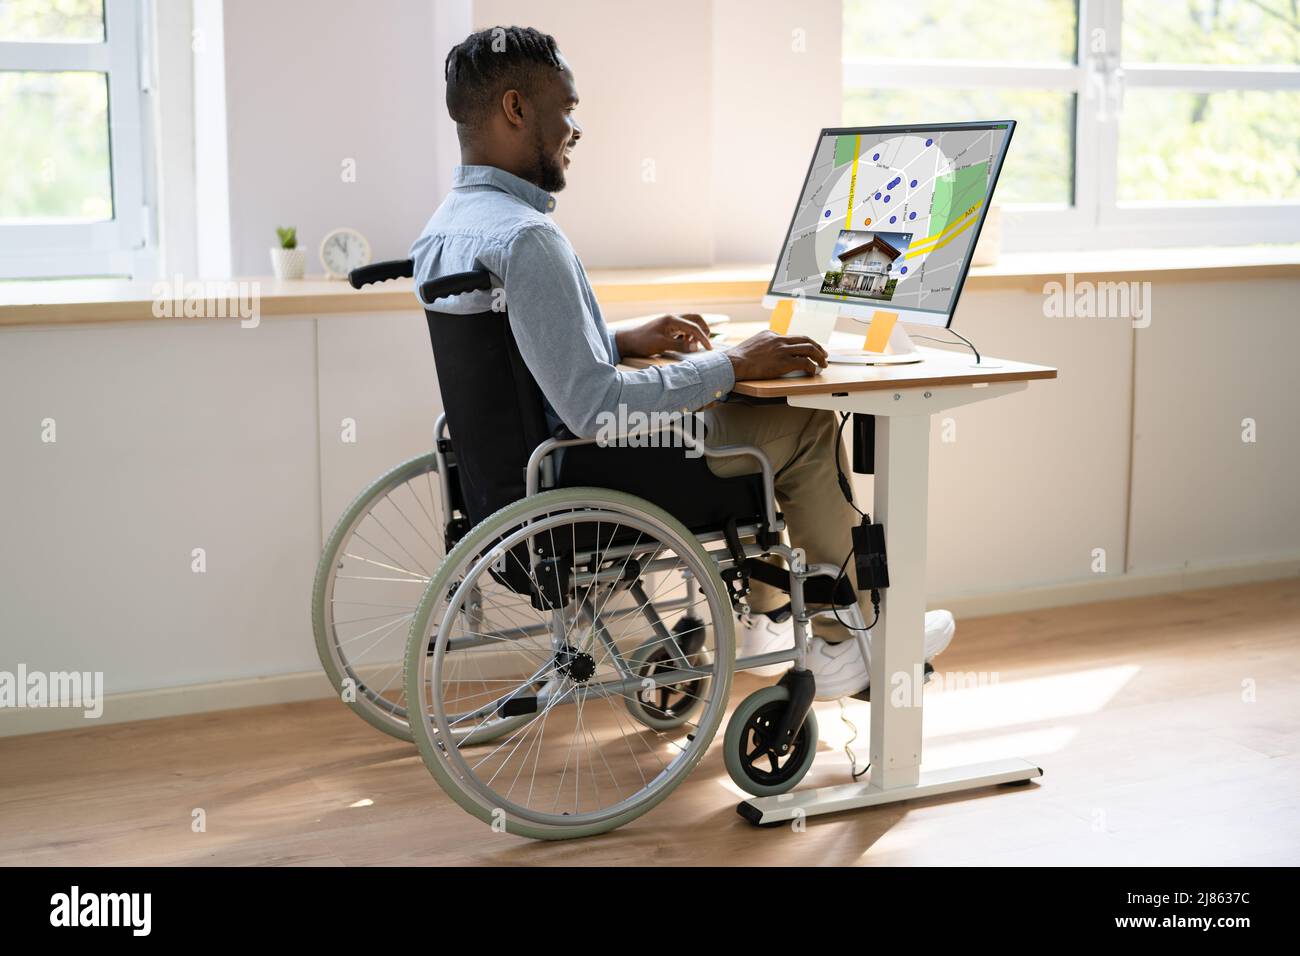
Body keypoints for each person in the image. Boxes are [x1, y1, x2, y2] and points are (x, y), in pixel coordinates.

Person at [411, 26, 953, 699]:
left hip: (520, 482)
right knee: (805, 426)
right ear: (516, 109)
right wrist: (729, 364)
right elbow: (593, 407)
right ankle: (849, 638)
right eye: (567, 109)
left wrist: (617, 339)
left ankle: (772, 620)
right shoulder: (527, 237)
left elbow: (518, 356)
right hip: (588, 473)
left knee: (740, 410)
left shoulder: (450, 223)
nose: (576, 129)